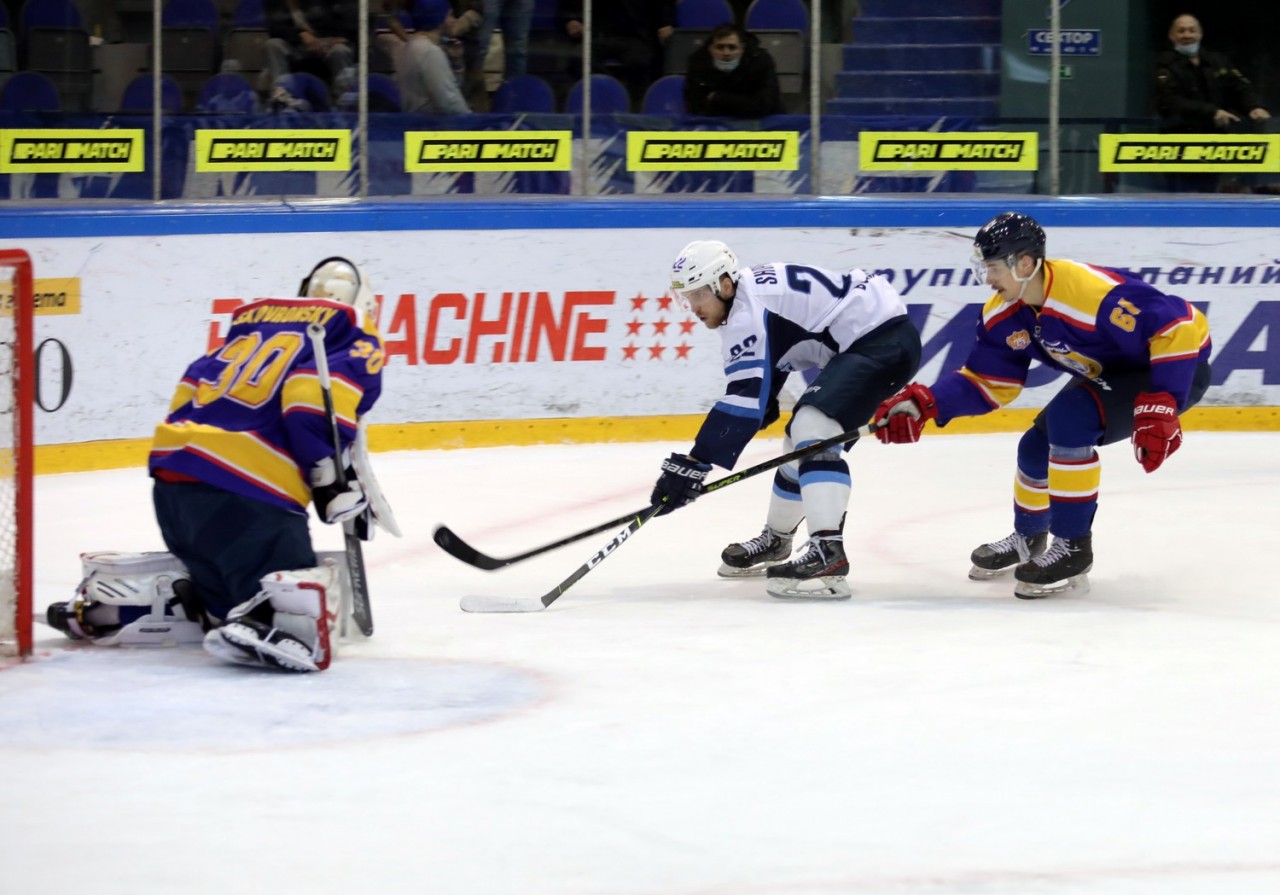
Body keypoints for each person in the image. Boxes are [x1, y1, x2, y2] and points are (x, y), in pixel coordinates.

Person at [46, 259, 389, 672]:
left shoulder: (245, 334)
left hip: (175, 481)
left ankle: (112, 610)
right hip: (250, 496)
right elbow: (307, 402)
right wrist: (328, 479)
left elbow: (186, 393)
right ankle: (260, 619)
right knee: (292, 612)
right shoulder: (351, 340)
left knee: (224, 605)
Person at [872, 212, 1213, 598]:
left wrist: (1163, 400)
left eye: (994, 267)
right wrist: (927, 404)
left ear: (1026, 263)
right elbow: (990, 382)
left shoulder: (1090, 292)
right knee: (1033, 448)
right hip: (1112, 373)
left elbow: (1178, 326)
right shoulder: (1003, 313)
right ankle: (1030, 537)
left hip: (1170, 368)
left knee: (1070, 421)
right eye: (984, 267)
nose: (987, 278)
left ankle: (1072, 548)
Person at [650, 240, 921, 600]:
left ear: (724, 285)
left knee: (813, 428)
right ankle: (777, 540)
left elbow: (743, 401)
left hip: (878, 340)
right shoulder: (751, 299)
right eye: (685, 297)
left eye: (699, 295)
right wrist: (762, 403)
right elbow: (769, 372)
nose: (693, 307)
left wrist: (693, 465)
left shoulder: (747, 312)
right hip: (872, 337)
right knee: (800, 441)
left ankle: (828, 551)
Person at [1155, 13, 1271, 192]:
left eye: (1192, 30)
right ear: (1172, 36)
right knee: (1180, 194)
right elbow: (1170, 101)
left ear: (1200, 34)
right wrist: (1212, 112)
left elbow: (1238, 87)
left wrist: (1253, 107)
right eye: (1181, 31)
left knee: (1210, 191)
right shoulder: (1164, 64)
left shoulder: (1216, 61)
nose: (1187, 35)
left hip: (1214, 142)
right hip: (1179, 142)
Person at [558, 0, 676, 111]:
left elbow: (665, 5)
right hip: (596, 35)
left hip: (636, 36)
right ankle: (611, 96)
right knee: (578, 57)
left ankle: (632, 108)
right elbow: (568, 8)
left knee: (639, 61)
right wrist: (571, 20)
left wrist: (666, 22)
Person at [684, 23, 782, 118]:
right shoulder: (698, 63)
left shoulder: (761, 61)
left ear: (742, 48)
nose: (726, 53)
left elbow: (766, 104)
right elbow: (696, 106)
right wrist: (743, 103)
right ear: (710, 49)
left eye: (732, 47)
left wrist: (718, 98)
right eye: (720, 47)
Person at [263, 0, 361, 95]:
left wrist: (324, 42)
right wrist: (300, 35)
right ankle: (282, 95)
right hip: (295, 44)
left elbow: (344, 25)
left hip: (328, 41)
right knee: (273, 45)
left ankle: (344, 99)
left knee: (340, 50)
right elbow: (274, 28)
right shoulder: (274, 2)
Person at [393, 0, 472, 114]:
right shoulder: (429, 52)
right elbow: (450, 103)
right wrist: (473, 124)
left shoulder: (410, 46)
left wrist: (456, 63)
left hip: (417, 124)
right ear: (439, 20)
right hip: (431, 127)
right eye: (450, 15)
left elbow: (450, 88)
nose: (454, 20)